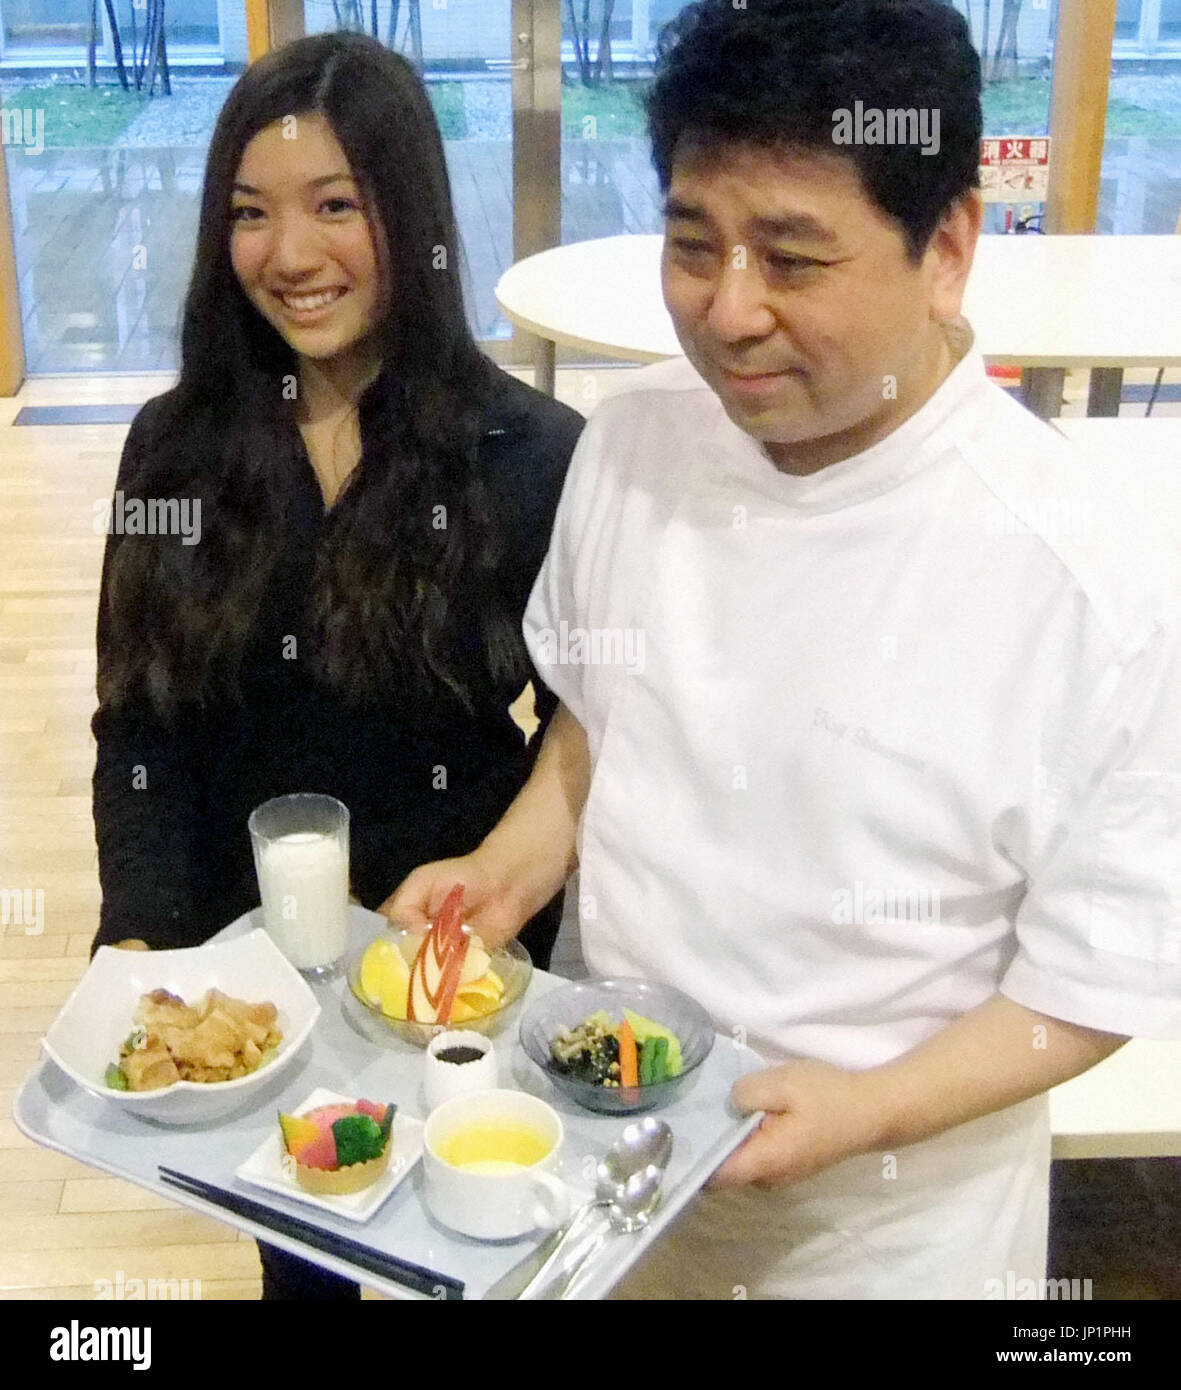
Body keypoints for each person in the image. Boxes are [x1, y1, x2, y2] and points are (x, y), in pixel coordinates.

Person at [385, 0, 1181, 1299]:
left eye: (794, 260)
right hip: (603, 1151)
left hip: (882, 1227)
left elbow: (1092, 984)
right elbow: (597, 726)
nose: (728, 312)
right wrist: (507, 869)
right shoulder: (636, 443)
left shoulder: (1089, 581)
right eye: (693, 245)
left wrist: (867, 1109)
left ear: (947, 249)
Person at [89, 32, 584, 1298]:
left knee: (465, 1245)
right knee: (302, 1261)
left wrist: (514, 909)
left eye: (335, 207)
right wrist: (143, 937)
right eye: (251, 214)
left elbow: (582, 727)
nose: (290, 256)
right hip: (250, 985)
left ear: (407, 217)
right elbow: (137, 726)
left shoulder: (525, 451)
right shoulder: (174, 448)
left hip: (447, 977)